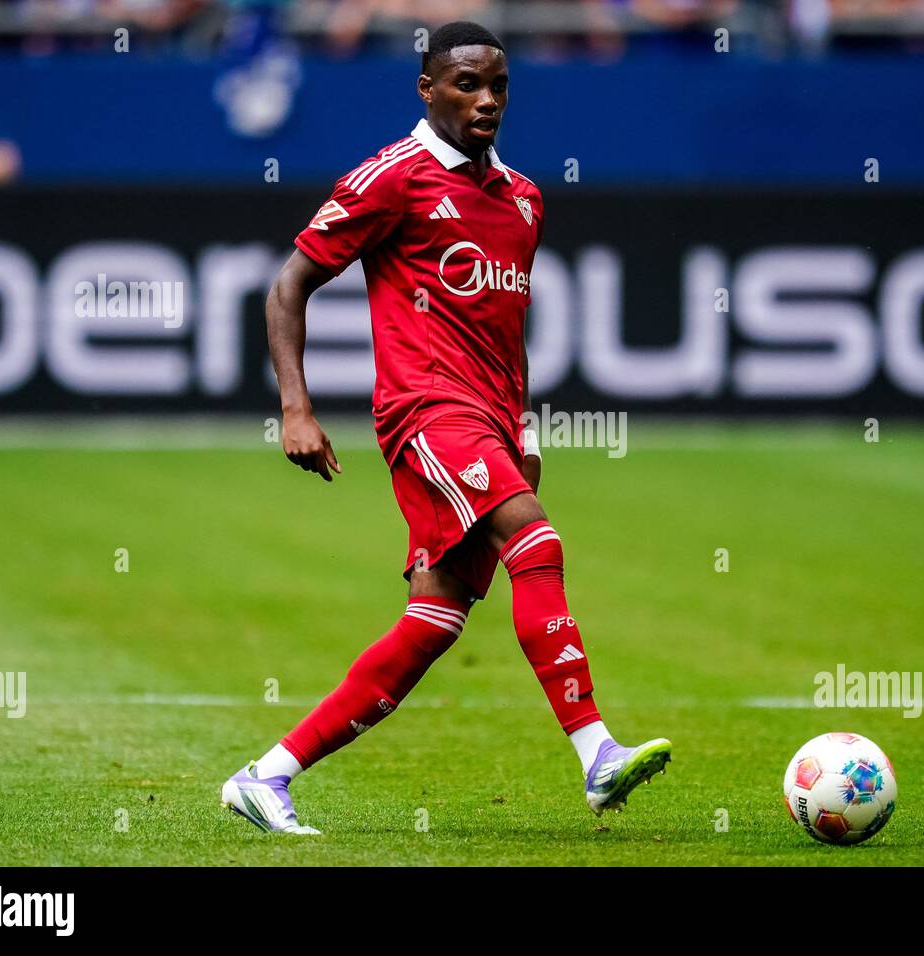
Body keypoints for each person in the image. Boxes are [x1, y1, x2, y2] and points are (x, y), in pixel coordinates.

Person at [221, 20, 671, 835]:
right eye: (467, 84)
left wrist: (522, 431)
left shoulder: (525, 198)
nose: (488, 99)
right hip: (425, 410)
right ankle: (598, 752)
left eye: (498, 85)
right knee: (538, 544)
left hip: (492, 419)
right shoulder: (393, 178)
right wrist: (295, 405)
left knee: (435, 621)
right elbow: (289, 286)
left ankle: (266, 775)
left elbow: (506, 329)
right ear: (427, 90)